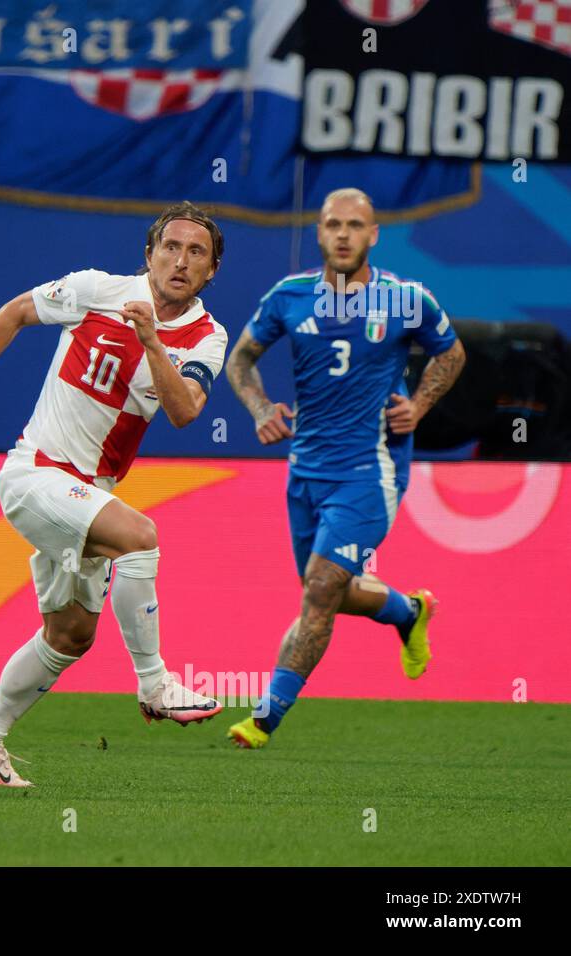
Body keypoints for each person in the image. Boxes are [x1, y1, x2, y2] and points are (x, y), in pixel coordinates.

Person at [0, 201, 229, 787]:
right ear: (149, 254)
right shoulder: (97, 289)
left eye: (197, 253)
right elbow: (16, 311)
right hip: (35, 474)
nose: (181, 260)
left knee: (70, 634)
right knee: (141, 537)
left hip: (88, 494)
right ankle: (154, 684)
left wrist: (151, 341)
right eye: (171, 246)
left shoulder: (207, 336)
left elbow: (185, 410)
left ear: (211, 270)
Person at [223, 187, 466, 749]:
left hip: (370, 472)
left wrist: (420, 406)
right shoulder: (290, 295)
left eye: (355, 225)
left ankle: (263, 719)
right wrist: (260, 408)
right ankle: (408, 611)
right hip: (305, 469)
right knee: (327, 589)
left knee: (321, 588)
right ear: (319, 232)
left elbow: (450, 353)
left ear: (373, 235)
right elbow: (241, 358)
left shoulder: (407, 299)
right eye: (333, 224)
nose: (343, 234)